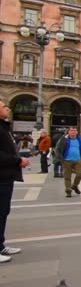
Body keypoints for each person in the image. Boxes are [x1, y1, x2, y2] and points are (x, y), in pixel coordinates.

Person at [0, 101, 27, 263]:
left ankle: (1, 245)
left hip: (5, 177)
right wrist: (17, 161)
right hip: (1, 177)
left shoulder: (4, 127)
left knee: (3, 212)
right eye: (4, 107)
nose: (8, 109)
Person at [55, 127, 81, 198]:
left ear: (77, 132)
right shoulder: (64, 139)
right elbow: (58, 149)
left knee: (79, 174)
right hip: (66, 160)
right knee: (67, 176)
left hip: (78, 159)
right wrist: (61, 159)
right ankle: (68, 190)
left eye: (75, 130)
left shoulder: (80, 139)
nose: (73, 132)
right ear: (68, 132)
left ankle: (74, 186)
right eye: (71, 130)